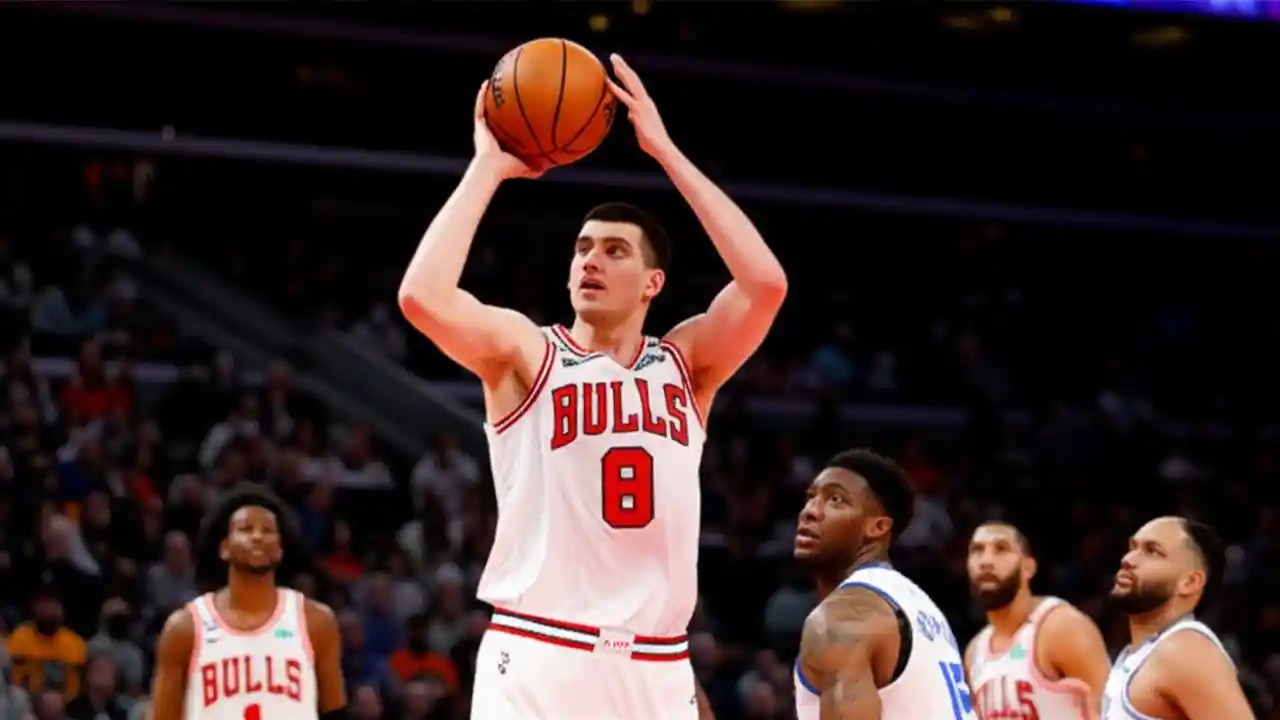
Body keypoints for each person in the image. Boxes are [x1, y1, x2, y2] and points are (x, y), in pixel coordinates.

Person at [398, 54, 786, 719]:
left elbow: (766, 285)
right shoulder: (529, 353)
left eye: (613, 250)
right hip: (541, 651)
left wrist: (665, 152)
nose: (590, 261)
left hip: (657, 662)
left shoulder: (685, 365)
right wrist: (486, 168)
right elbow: (422, 296)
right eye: (581, 248)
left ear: (653, 283)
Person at [793, 449, 976, 720]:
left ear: (877, 527)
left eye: (835, 500)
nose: (810, 511)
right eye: (810, 497)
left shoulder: (843, 616)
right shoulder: (920, 606)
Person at [147, 484, 347, 720]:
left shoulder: (315, 621)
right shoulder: (185, 628)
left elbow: (335, 713)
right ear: (224, 548)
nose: (257, 536)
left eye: (268, 530)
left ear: (279, 550)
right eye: (245, 529)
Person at [1101, 516, 1252, 720]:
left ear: (1190, 581)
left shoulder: (1185, 650)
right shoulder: (1141, 652)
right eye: (1132, 547)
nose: (1128, 560)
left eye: (1152, 551)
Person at [964, 522, 1110, 720]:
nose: (986, 561)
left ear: (1028, 567)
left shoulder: (1060, 626)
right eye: (977, 550)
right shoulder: (974, 652)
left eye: (1001, 549)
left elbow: (1113, 709)